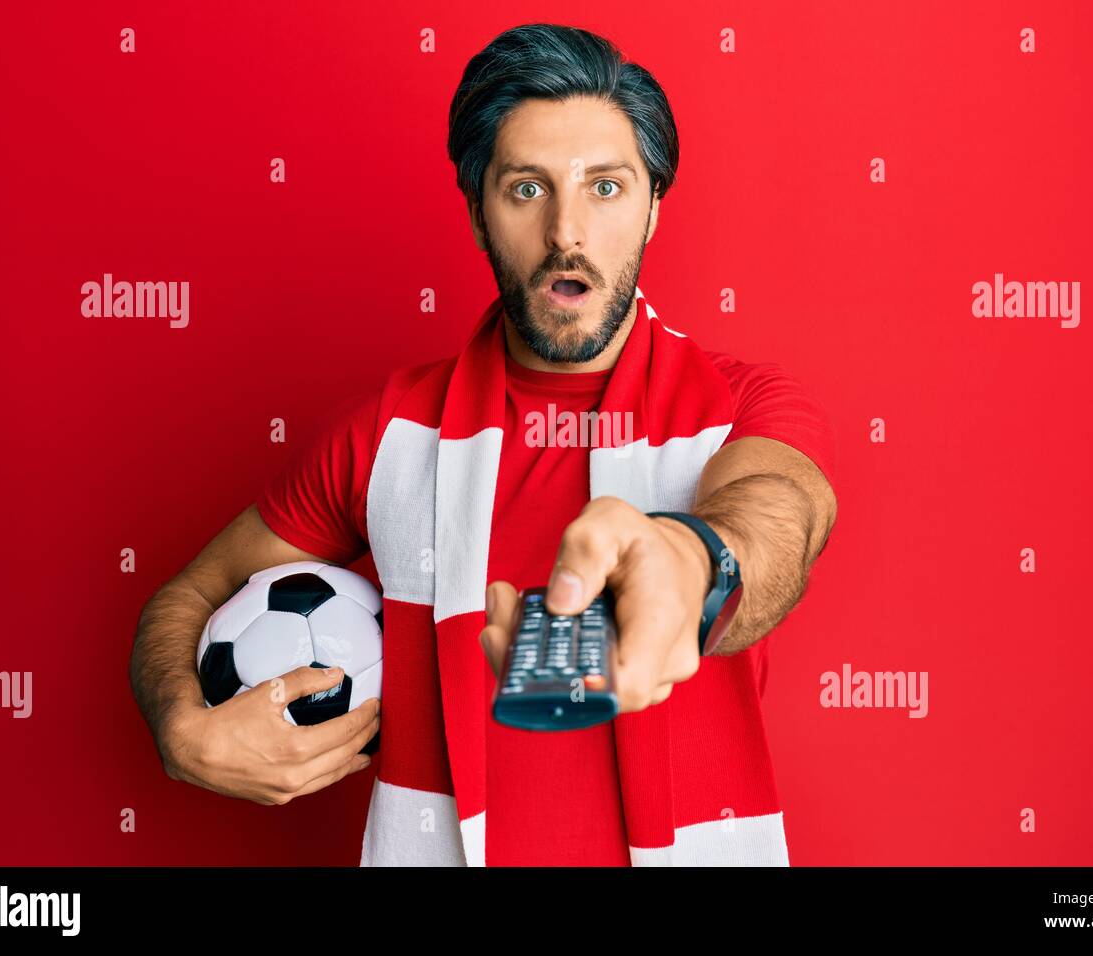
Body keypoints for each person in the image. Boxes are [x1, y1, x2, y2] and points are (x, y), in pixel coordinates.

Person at [130, 22, 839, 866]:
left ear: (654, 209)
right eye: (527, 189)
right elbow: (187, 596)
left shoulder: (744, 404)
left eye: (606, 188)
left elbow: (779, 516)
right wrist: (180, 719)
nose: (566, 232)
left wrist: (692, 565)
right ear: (477, 213)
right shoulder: (388, 432)